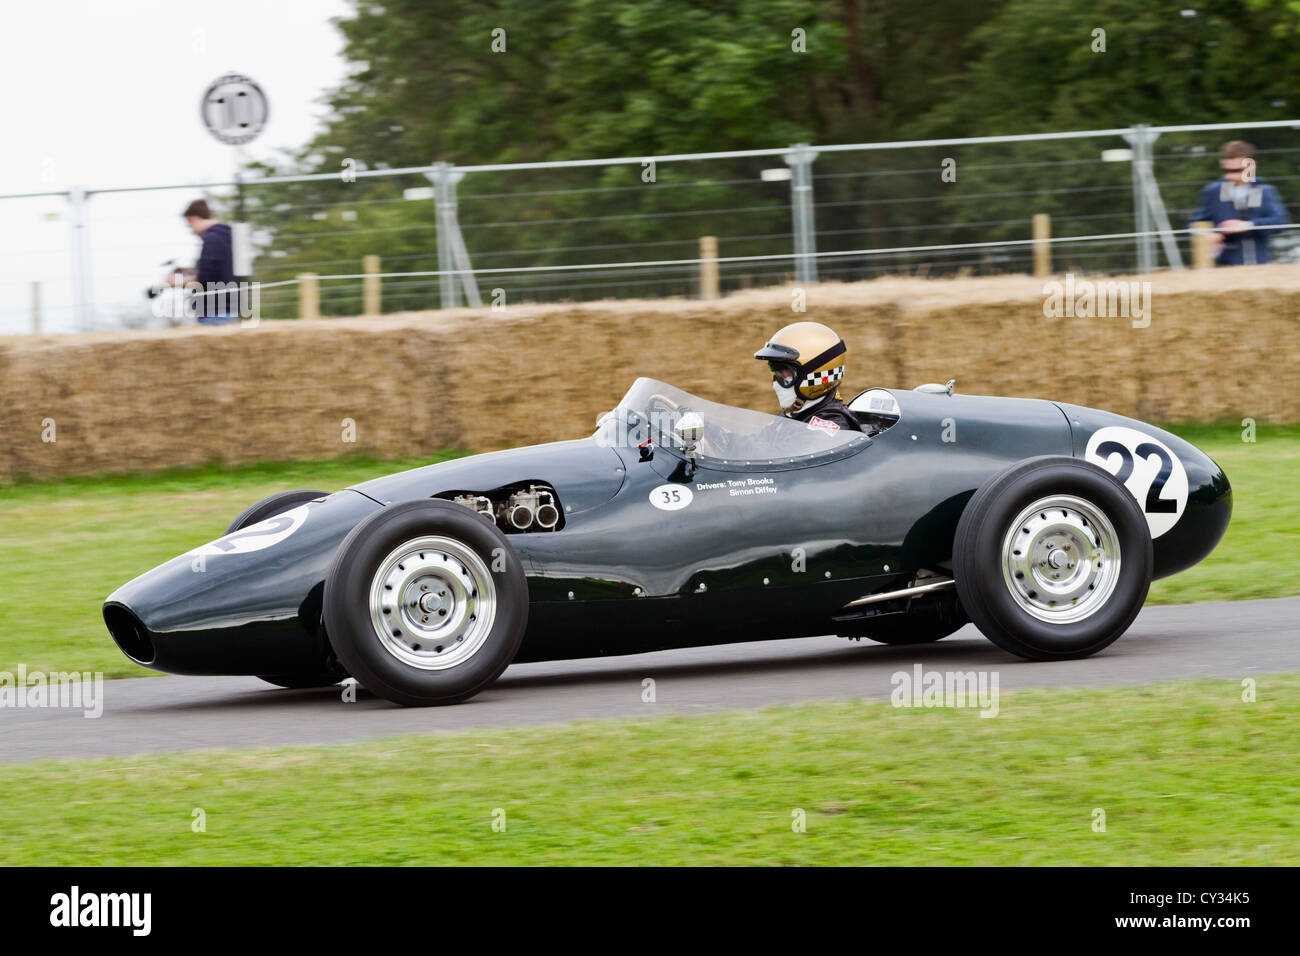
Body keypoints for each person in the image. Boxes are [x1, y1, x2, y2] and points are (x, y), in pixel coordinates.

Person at [1188, 141, 1290, 266]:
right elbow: (1195, 224)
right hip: (1224, 267)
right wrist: (1208, 235)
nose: (1232, 176)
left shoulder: (1262, 191)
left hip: (1261, 265)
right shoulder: (1214, 192)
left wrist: (1248, 225)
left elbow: (1280, 222)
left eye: (1238, 170)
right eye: (1227, 170)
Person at [754, 321, 861, 433]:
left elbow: (785, 449)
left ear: (813, 373)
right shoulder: (793, 414)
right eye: (775, 373)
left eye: (785, 372)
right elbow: (759, 442)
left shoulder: (831, 426)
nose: (776, 385)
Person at [175, 199, 240, 323]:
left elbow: (205, 277)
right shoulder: (226, 236)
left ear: (192, 219)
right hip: (227, 308)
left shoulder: (212, 238)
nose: (192, 231)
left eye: (189, 226)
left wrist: (180, 281)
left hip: (214, 312)